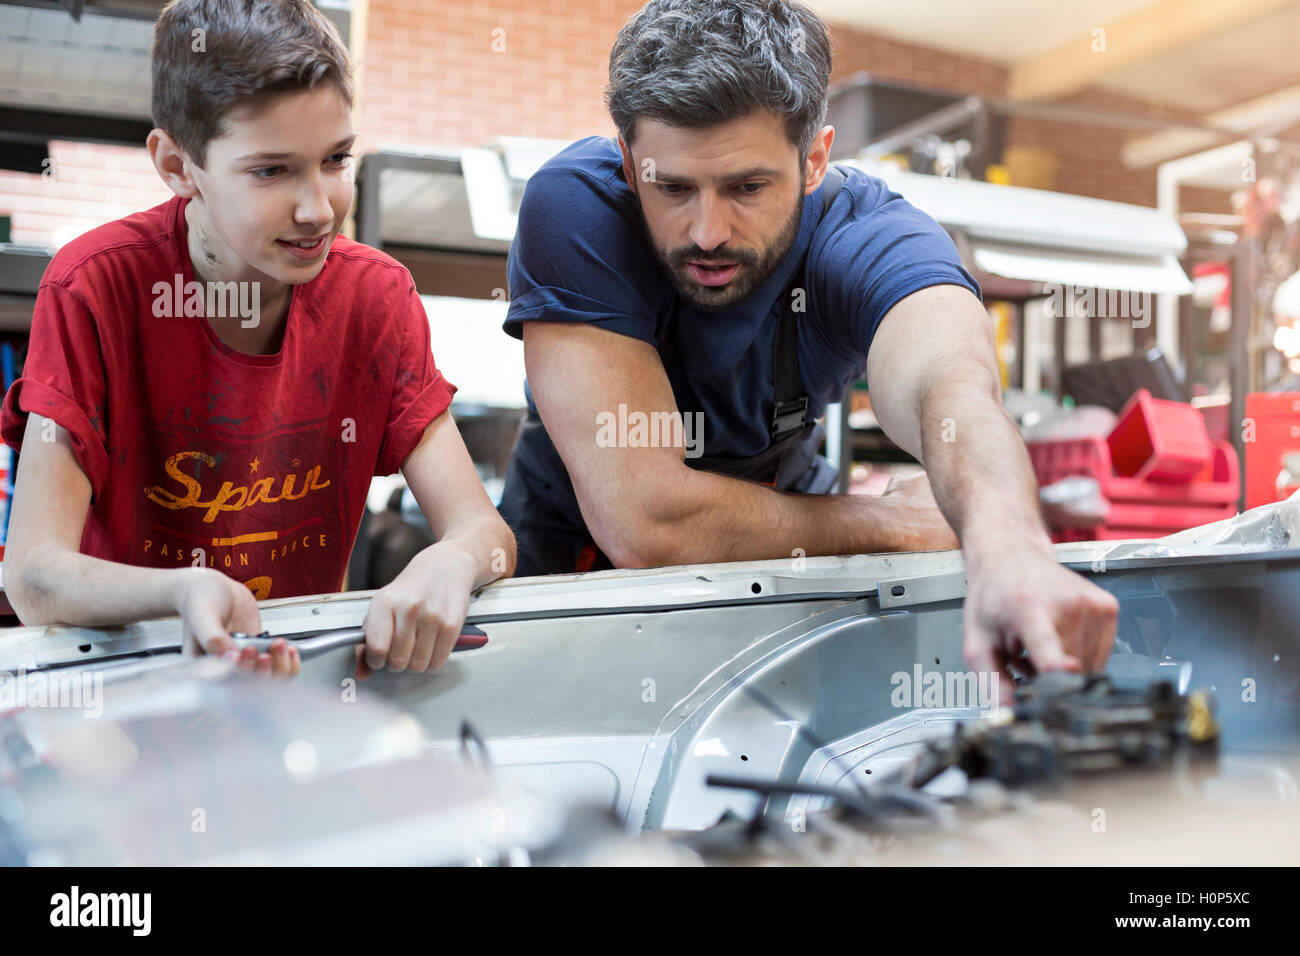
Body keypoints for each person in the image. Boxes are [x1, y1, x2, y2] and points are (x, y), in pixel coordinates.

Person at [497, 0, 1117, 682]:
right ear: (627, 159)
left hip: (777, 593)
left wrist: (1008, 546)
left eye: (747, 186)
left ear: (815, 159)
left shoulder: (869, 239)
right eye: (672, 187)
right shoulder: (577, 209)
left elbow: (951, 386)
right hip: (563, 596)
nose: (707, 232)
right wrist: (895, 524)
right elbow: (649, 524)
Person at [0, 0, 516, 679]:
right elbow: (32, 575)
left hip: (296, 690)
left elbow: (486, 532)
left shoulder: (376, 298)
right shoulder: (94, 287)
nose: (318, 208)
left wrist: (450, 560)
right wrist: (182, 591)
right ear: (177, 165)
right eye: (271, 170)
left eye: (336, 159)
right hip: (125, 690)